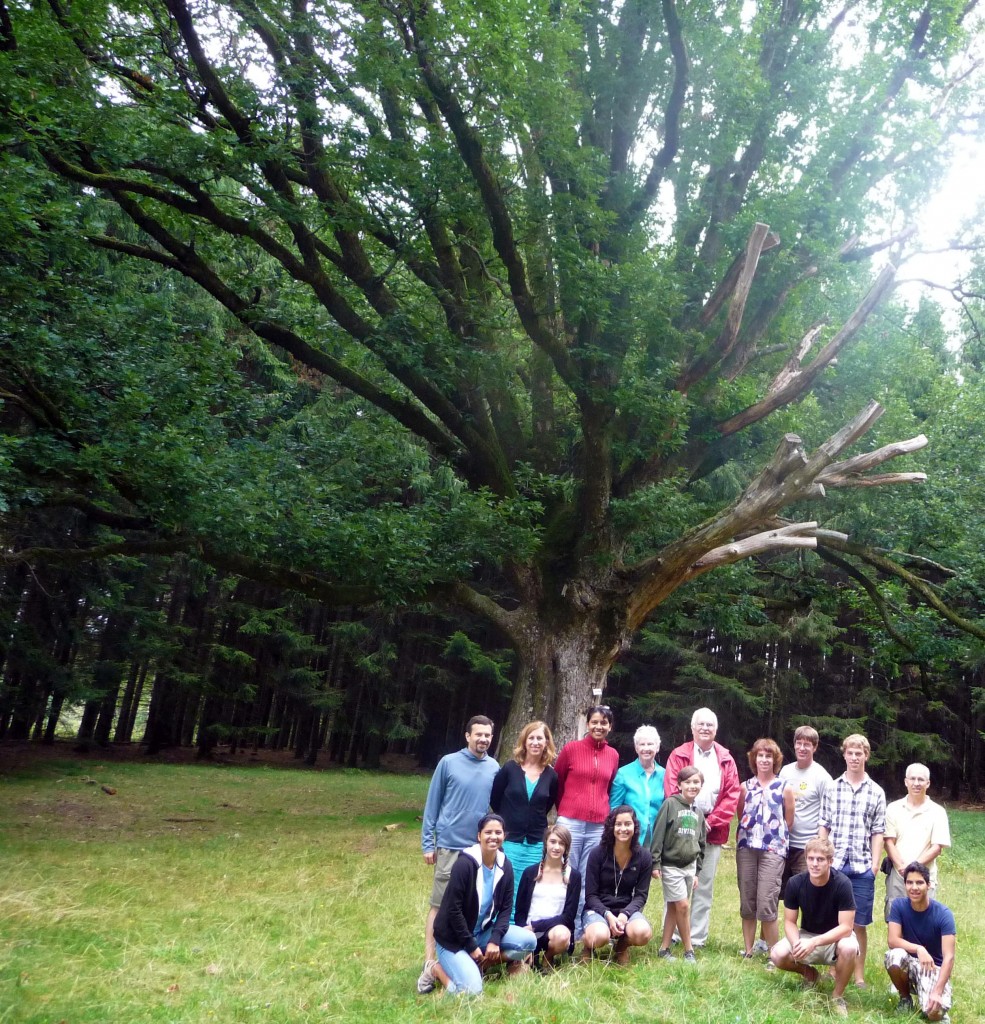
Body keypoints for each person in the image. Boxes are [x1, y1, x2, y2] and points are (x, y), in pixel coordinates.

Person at [418, 715, 499, 994]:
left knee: (470, 905)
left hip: (477, 851)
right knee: (440, 904)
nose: (483, 739)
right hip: (450, 846)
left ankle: (460, 956)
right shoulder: (448, 763)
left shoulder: (493, 768)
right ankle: (429, 962)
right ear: (467, 736)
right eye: (478, 734)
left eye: (487, 735)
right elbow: (433, 803)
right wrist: (428, 843)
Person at [429, 814, 538, 996]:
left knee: (529, 941)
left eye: (498, 832)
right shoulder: (464, 864)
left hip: (481, 933)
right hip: (453, 939)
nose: (493, 837)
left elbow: (505, 909)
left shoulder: (505, 866)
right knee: (472, 992)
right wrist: (471, 946)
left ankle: (483, 963)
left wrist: (494, 940)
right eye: (488, 832)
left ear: (504, 836)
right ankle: (437, 970)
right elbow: (452, 910)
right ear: (479, 836)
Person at [663, 707, 740, 946]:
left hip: (713, 830)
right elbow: (672, 790)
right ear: (692, 728)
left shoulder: (726, 758)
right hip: (682, 829)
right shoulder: (679, 754)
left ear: (716, 730)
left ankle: (696, 937)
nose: (705, 728)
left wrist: (710, 821)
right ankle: (674, 935)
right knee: (679, 882)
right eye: (701, 724)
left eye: (710, 725)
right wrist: (691, 819)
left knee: (703, 884)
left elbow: (732, 794)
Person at [819, 733, 886, 988]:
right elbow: (824, 824)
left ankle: (858, 976)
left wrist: (875, 865)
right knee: (834, 921)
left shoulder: (876, 792)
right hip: (835, 866)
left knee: (859, 923)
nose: (855, 757)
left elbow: (878, 831)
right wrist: (823, 855)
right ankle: (834, 969)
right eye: (851, 753)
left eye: (860, 753)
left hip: (861, 867)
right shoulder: (832, 788)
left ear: (866, 756)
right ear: (844, 754)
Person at [769, 836, 859, 1018]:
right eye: (811, 859)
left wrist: (814, 942)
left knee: (849, 948)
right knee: (777, 954)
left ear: (830, 861)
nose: (815, 864)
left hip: (836, 937)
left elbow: (846, 928)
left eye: (820, 859)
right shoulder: (795, 883)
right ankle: (810, 974)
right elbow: (789, 922)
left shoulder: (842, 884)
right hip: (806, 933)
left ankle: (837, 996)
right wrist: (796, 943)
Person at [553, 704, 620, 934]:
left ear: (610, 726)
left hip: (597, 825)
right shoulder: (571, 749)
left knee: (586, 878)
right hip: (570, 821)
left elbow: (608, 787)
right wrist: (566, 808)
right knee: (565, 872)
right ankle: (559, 925)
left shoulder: (613, 755)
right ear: (587, 724)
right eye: (595, 722)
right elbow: (558, 782)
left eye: (604, 722)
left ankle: (580, 929)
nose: (599, 726)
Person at [490, 720, 559, 912]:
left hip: (535, 842)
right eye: (532, 738)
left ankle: (522, 927)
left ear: (546, 743)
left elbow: (547, 804)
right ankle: (500, 924)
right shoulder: (510, 769)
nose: (536, 742)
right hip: (510, 839)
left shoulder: (551, 776)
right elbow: (495, 799)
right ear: (525, 741)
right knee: (505, 882)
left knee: (529, 884)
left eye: (540, 738)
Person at [736, 738, 795, 958]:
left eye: (768, 756)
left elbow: (788, 821)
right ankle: (748, 950)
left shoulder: (785, 788)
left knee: (767, 902)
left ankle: (775, 954)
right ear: (754, 758)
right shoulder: (745, 787)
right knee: (747, 900)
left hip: (773, 849)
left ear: (775, 760)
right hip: (747, 848)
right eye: (760, 755)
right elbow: (741, 816)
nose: (764, 760)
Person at [582, 805, 654, 964]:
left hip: (625, 910)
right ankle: (588, 946)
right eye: (618, 824)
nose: (623, 828)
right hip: (597, 909)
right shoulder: (597, 854)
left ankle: (622, 946)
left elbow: (641, 896)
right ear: (611, 827)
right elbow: (590, 896)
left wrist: (625, 914)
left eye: (627, 824)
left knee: (643, 934)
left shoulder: (644, 856)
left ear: (634, 826)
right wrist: (607, 915)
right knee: (599, 936)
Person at [885, 861, 956, 1021]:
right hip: (910, 962)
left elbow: (949, 957)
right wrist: (919, 949)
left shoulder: (943, 914)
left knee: (932, 1014)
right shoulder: (898, 906)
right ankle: (905, 999)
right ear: (904, 885)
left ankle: (937, 999)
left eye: (919, 882)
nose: (914, 887)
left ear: (929, 885)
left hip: (932, 968)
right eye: (909, 882)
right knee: (894, 956)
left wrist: (937, 991)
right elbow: (892, 940)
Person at [650, 765, 706, 962]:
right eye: (688, 782)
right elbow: (658, 834)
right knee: (682, 905)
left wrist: (697, 870)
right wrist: (655, 863)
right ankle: (688, 949)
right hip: (671, 865)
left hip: (689, 867)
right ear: (679, 784)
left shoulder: (698, 812)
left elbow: (701, 843)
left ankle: (664, 948)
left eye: (696, 782)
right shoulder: (670, 804)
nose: (692, 786)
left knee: (674, 908)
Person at [883, 763, 951, 921]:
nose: (916, 783)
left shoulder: (938, 812)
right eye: (912, 778)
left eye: (921, 779)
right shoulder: (893, 808)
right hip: (897, 877)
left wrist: (912, 869)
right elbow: (888, 841)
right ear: (905, 781)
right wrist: (901, 866)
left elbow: (936, 848)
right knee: (895, 921)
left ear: (928, 783)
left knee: (925, 922)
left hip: (925, 877)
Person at [513, 824, 581, 970]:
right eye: (553, 842)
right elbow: (519, 912)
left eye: (561, 843)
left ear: (566, 847)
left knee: (562, 936)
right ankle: (529, 953)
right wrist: (524, 932)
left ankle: (548, 957)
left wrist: (536, 926)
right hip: (528, 931)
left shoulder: (573, 876)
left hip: (554, 931)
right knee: (518, 973)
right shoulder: (530, 872)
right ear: (546, 843)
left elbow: (568, 917)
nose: (556, 847)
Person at [778, 725, 832, 898]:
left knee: (809, 894)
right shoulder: (785, 772)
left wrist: (821, 844)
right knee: (779, 893)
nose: (802, 748)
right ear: (794, 745)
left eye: (807, 744)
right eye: (799, 743)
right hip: (784, 844)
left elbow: (829, 813)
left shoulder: (821, 777)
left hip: (807, 848)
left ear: (814, 747)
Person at [610, 724, 665, 845]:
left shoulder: (665, 775)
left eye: (650, 744)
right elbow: (614, 807)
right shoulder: (623, 773)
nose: (646, 748)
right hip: (629, 837)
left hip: (657, 838)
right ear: (636, 748)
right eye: (642, 744)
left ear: (657, 747)